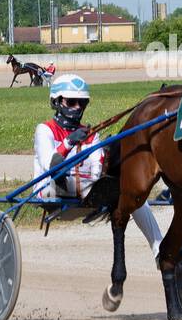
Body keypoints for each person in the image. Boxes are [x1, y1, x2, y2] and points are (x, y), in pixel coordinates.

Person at [34, 74, 163, 257]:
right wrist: (70, 142)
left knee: (132, 193)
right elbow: (51, 166)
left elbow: (97, 169)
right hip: (51, 190)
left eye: (82, 103)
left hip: (87, 192)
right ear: (56, 102)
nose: (77, 107)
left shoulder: (91, 134)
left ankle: (159, 250)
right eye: (71, 102)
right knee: (62, 173)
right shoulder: (45, 130)